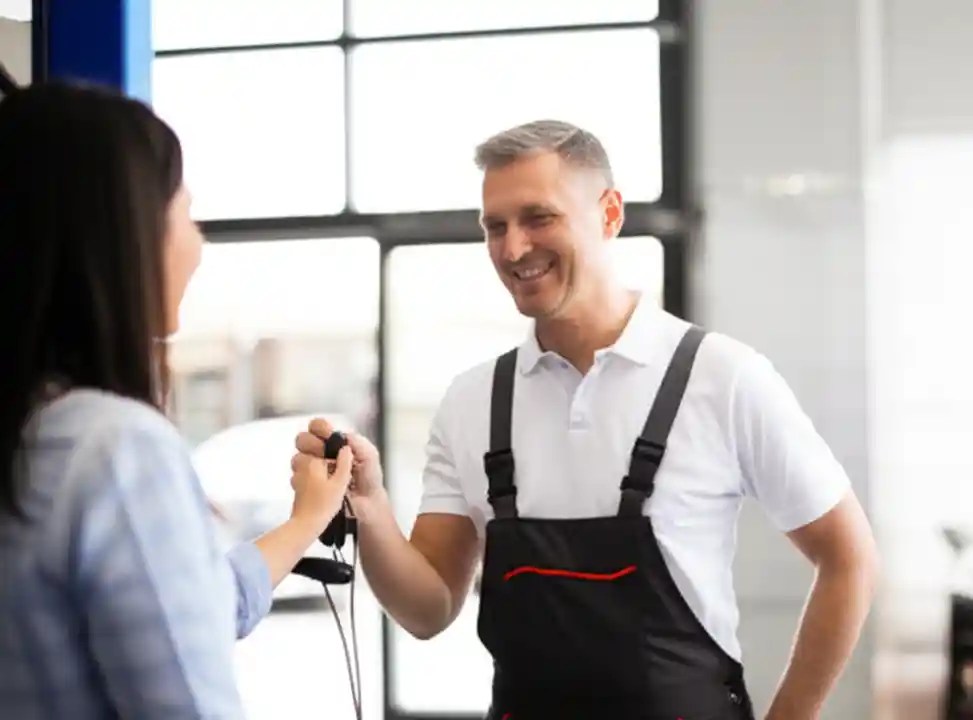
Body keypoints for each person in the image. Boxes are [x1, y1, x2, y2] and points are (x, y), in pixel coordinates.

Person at [297, 119, 880, 719]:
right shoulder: (473, 402)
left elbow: (849, 558)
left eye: (538, 217)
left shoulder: (723, 377)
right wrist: (369, 507)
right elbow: (428, 609)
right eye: (494, 226)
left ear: (609, 214)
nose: (513, 248)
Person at [0, 83, 353, 719]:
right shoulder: (112, 448)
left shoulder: (30, 430)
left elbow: (207, 603)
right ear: (124, 234)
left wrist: (307, 520)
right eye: (184, 213)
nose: (198, 245)